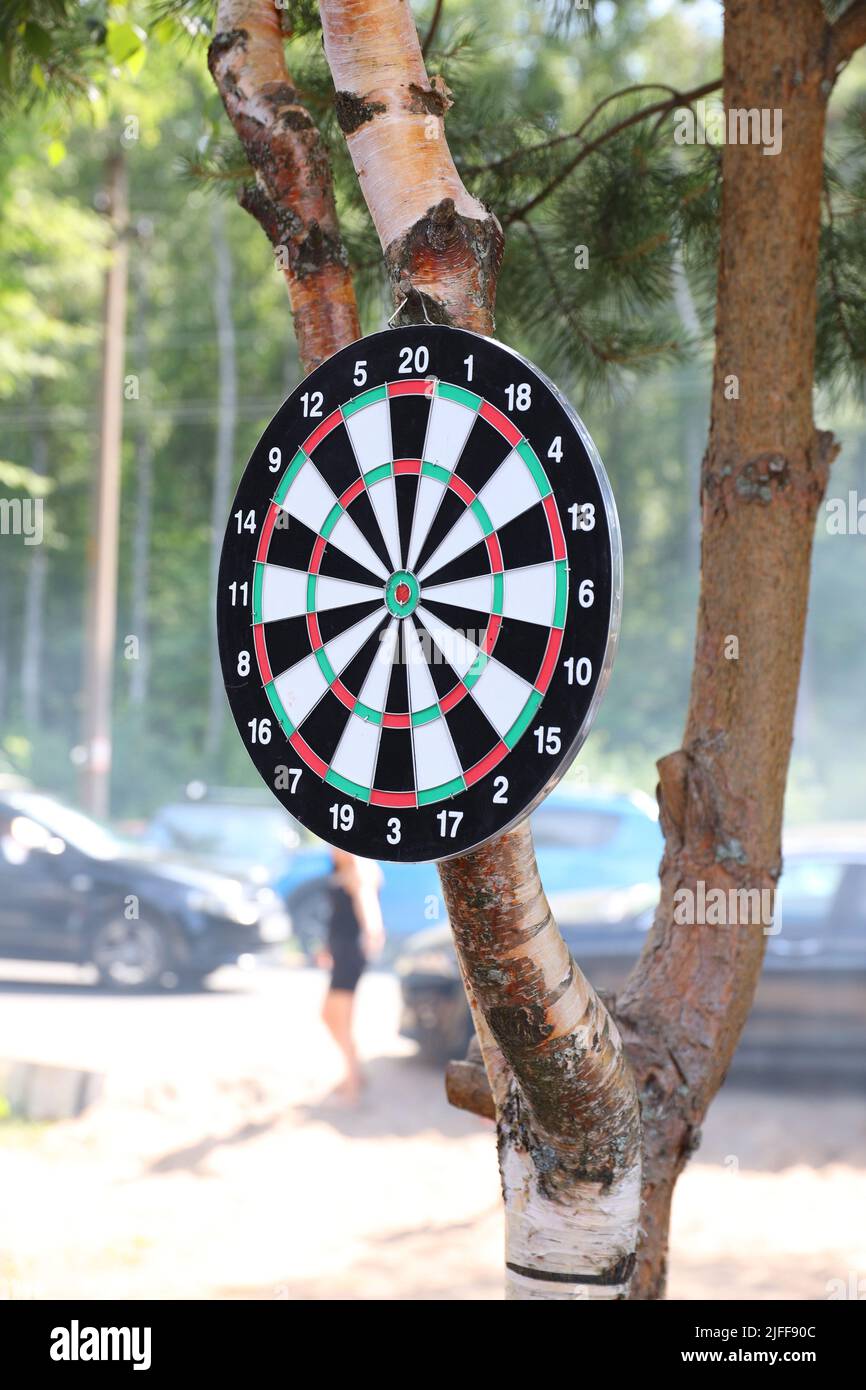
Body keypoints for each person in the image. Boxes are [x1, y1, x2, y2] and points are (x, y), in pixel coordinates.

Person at [320, 849, 384, 1104]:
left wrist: (373, 933)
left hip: (350, 953)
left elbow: (368, 906)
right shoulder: (341, 868)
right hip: (341, 952)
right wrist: (327, 947)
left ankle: (353, 1085)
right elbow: (338, 916)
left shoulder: (359, 868)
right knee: (331, 1016)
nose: (330, 849)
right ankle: (354, 1072)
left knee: (338, 1018)